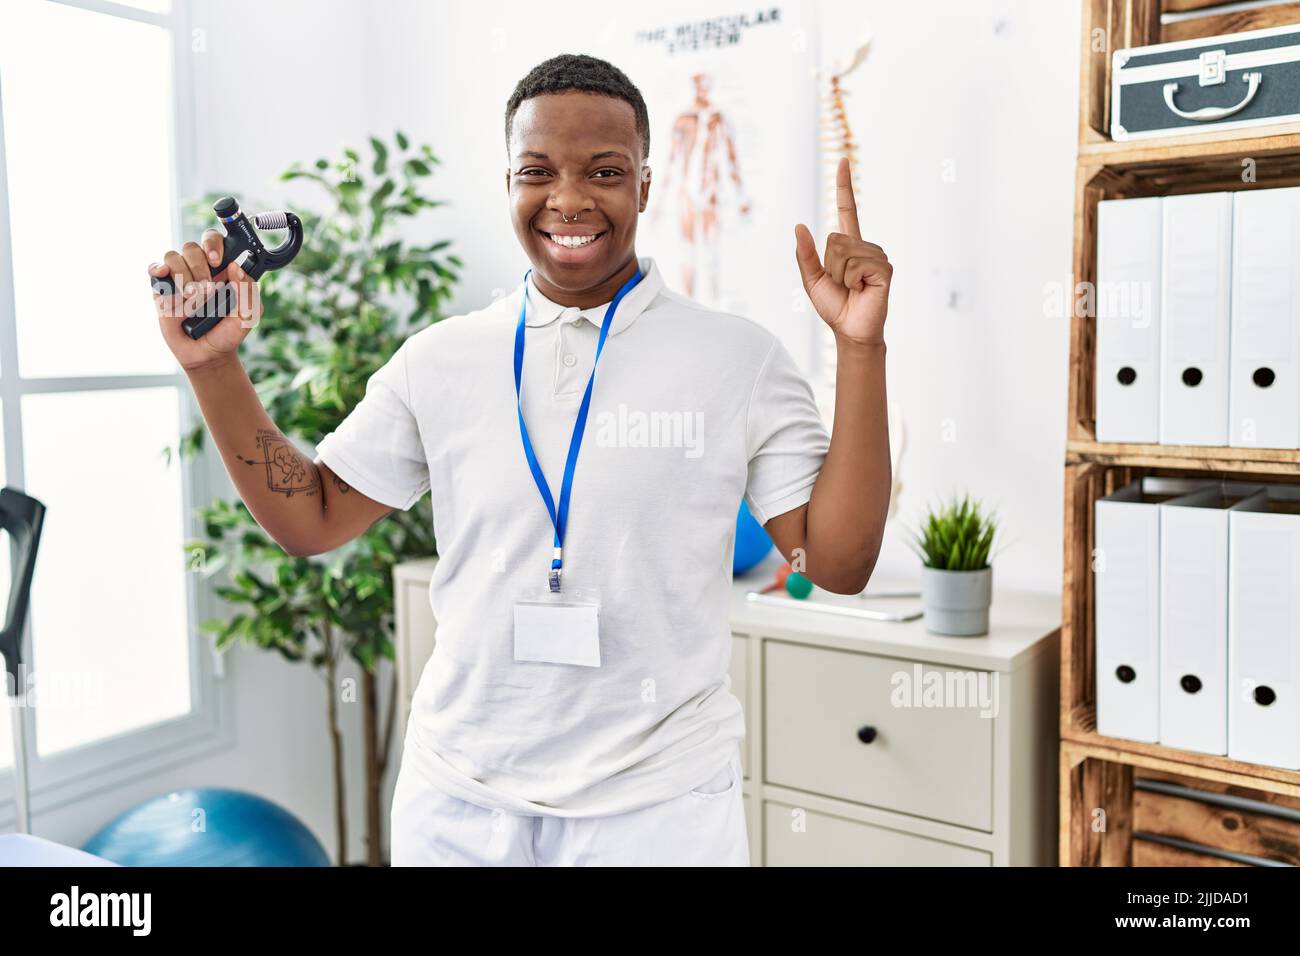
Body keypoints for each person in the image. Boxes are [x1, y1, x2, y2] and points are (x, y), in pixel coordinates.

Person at [149, 53, 892, 867]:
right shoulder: (439, 358)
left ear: (646, 184)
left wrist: (861, 348)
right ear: (508, 181)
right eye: (538, 171)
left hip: (659, 810)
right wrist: (212, 367)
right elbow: (311, 517)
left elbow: (836, 562)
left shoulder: (737, 359)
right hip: (457, 802)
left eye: (604, 172)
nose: (568, 199)